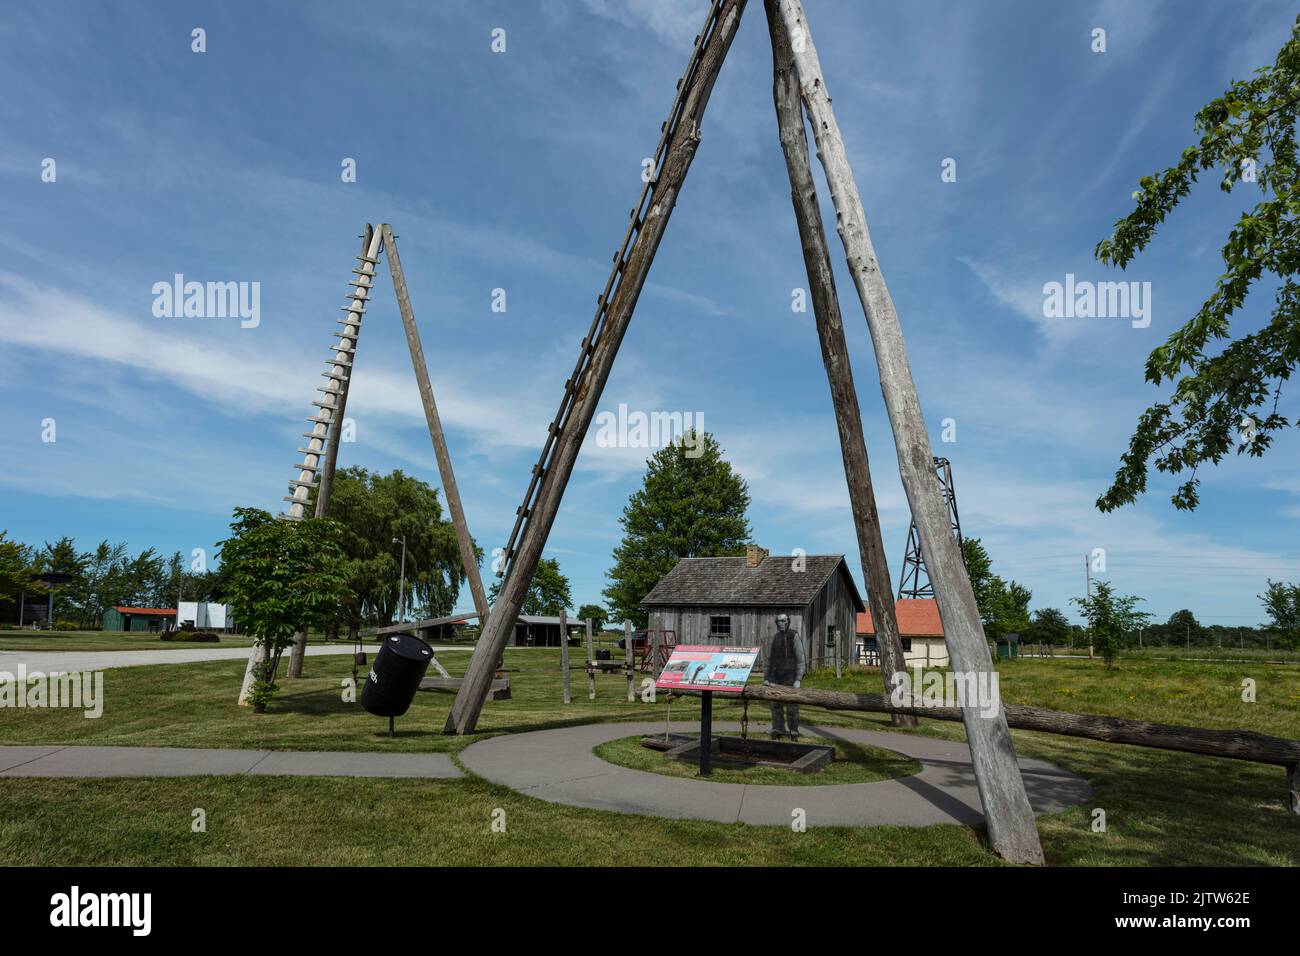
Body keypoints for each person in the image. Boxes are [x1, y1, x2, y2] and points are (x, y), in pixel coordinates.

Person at [764, 613, 805, 739]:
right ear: (777, 623)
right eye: (779, 621)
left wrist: (798, 678)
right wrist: (766, 677)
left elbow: (801, 659)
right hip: (776, 676)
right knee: (775, 704)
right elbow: (770, 659)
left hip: (790, 676)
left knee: (792, 705)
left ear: (788, 622)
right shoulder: (776, 637)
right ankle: (778, 729)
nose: (782, 623)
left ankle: (793, 731)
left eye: (784, 620)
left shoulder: (794, 636)